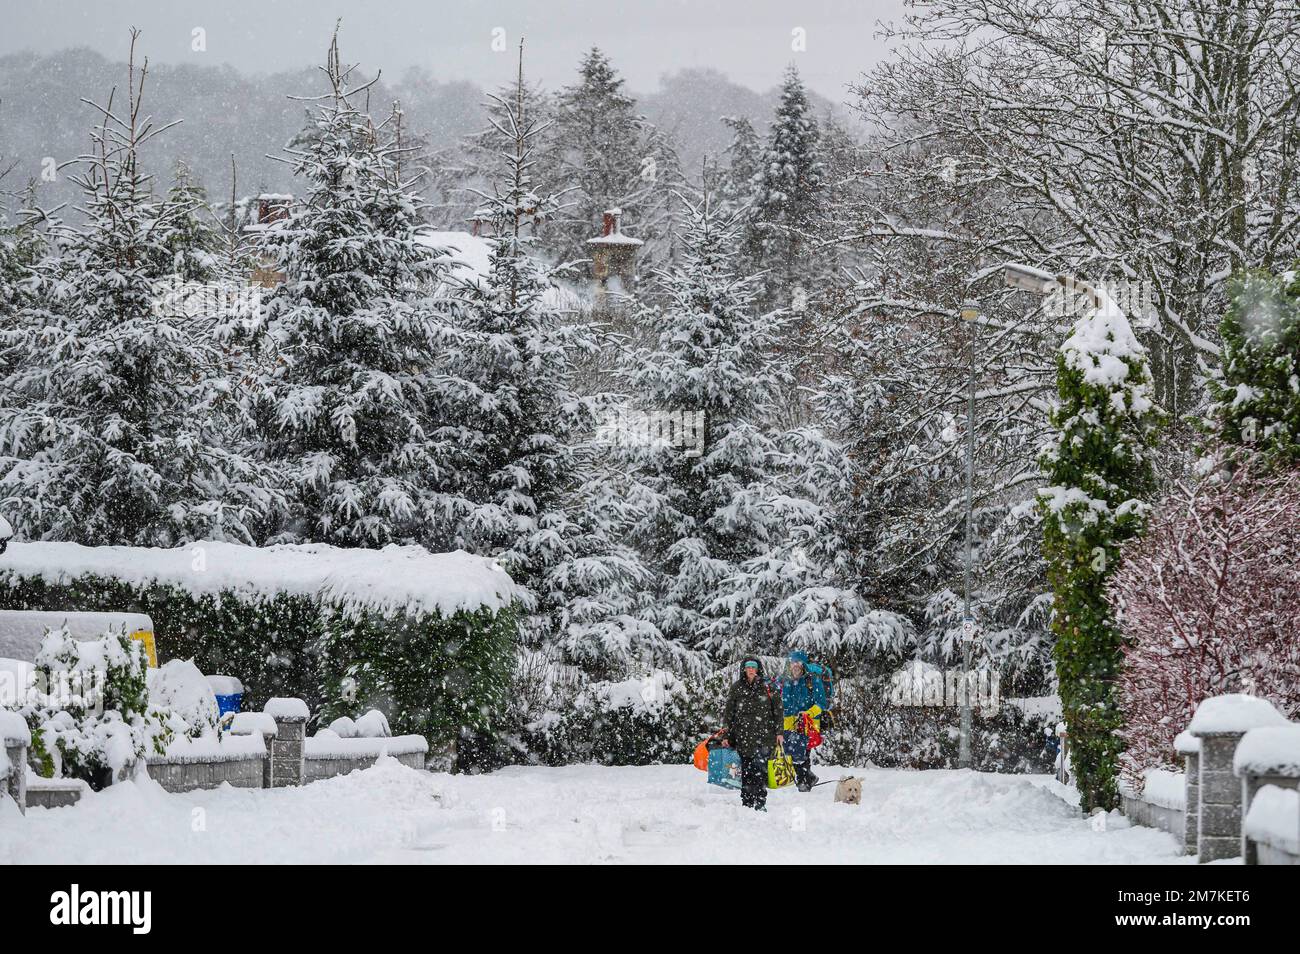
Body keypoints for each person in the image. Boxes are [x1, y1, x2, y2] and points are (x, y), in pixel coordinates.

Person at [722, 657, 783, 811]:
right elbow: (729, 713)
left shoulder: (768, 687)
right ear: (744, 669)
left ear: (758, 669)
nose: (751, 670)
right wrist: (726, 735)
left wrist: (779, 732)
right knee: (747, 773)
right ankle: (747, 803)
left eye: (753, 667)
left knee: (760, 772)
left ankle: (760, 802)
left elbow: (778, 710)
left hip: (764, 737)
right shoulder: (737, 687)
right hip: (743, 737)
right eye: (748, 667)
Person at [777, 650, 828, 792]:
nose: (795, 665)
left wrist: (809, 713)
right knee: (791, 752)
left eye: (798, 662)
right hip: (789, 723)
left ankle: (803, 782)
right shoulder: (786, 681)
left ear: (803, 664)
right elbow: (783, 704)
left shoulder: (813, 680)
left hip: (808, 723)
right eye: (793, 662)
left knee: (802, 753)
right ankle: (808, 777)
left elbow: (822, 704)